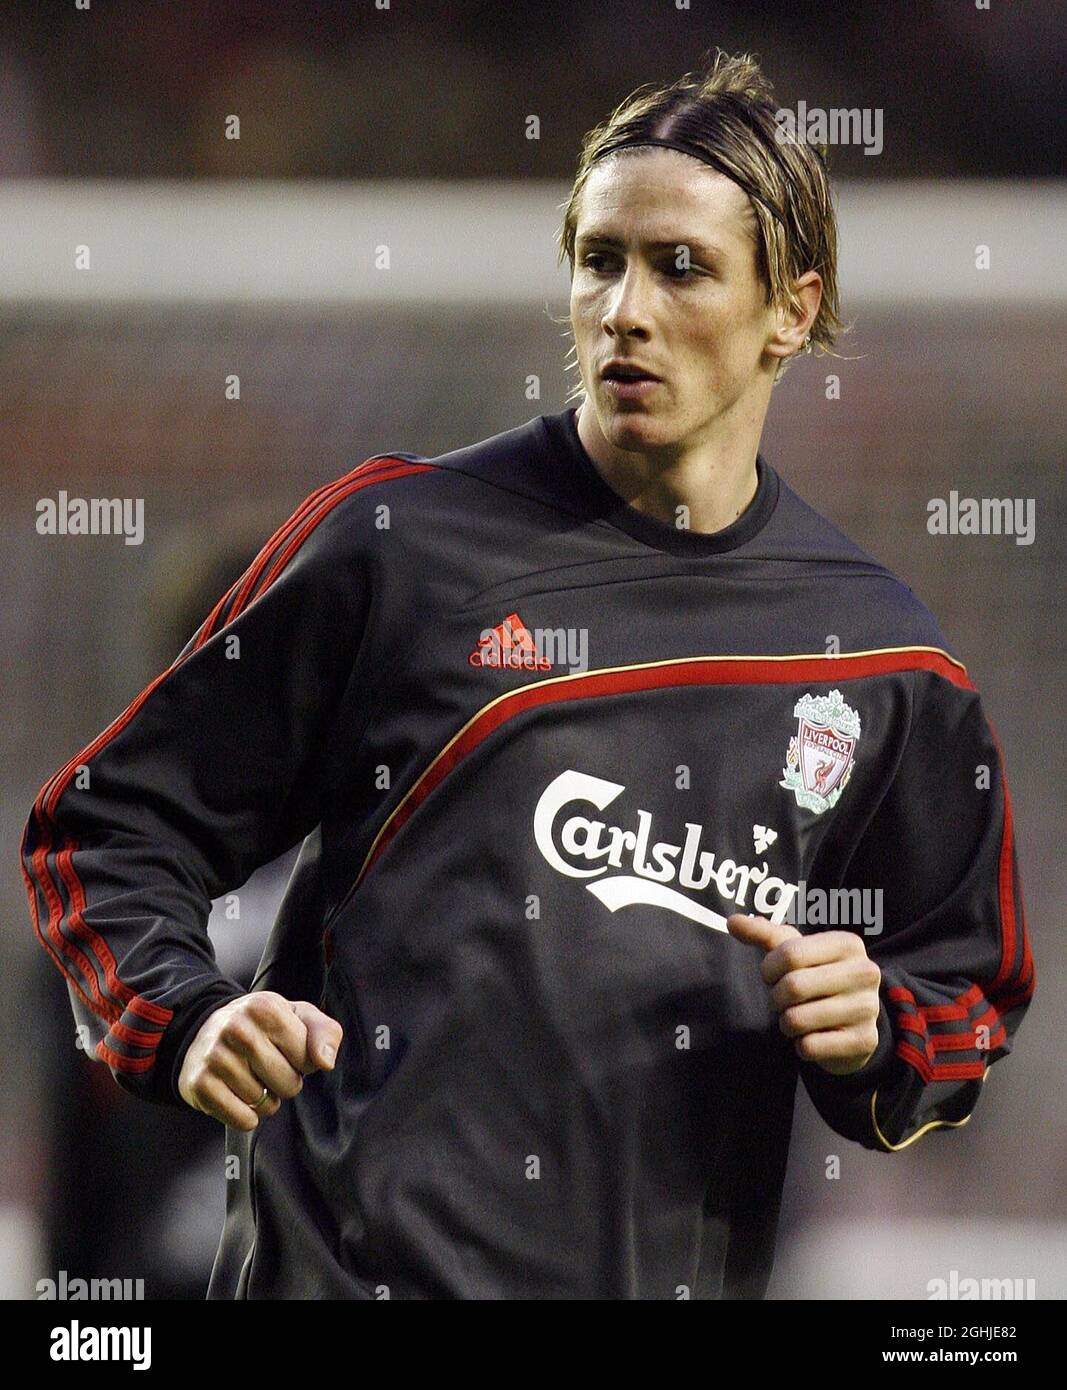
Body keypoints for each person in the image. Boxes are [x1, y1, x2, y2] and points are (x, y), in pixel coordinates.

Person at [21, 49, 1034, 1300]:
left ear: (790, 310)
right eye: (598, 259)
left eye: (679, 268)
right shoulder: (396, 544)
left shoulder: (888, 667)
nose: (624, 307)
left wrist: (877, 1022)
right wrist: (184, 1017)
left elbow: (965, 996)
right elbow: (105, 826)